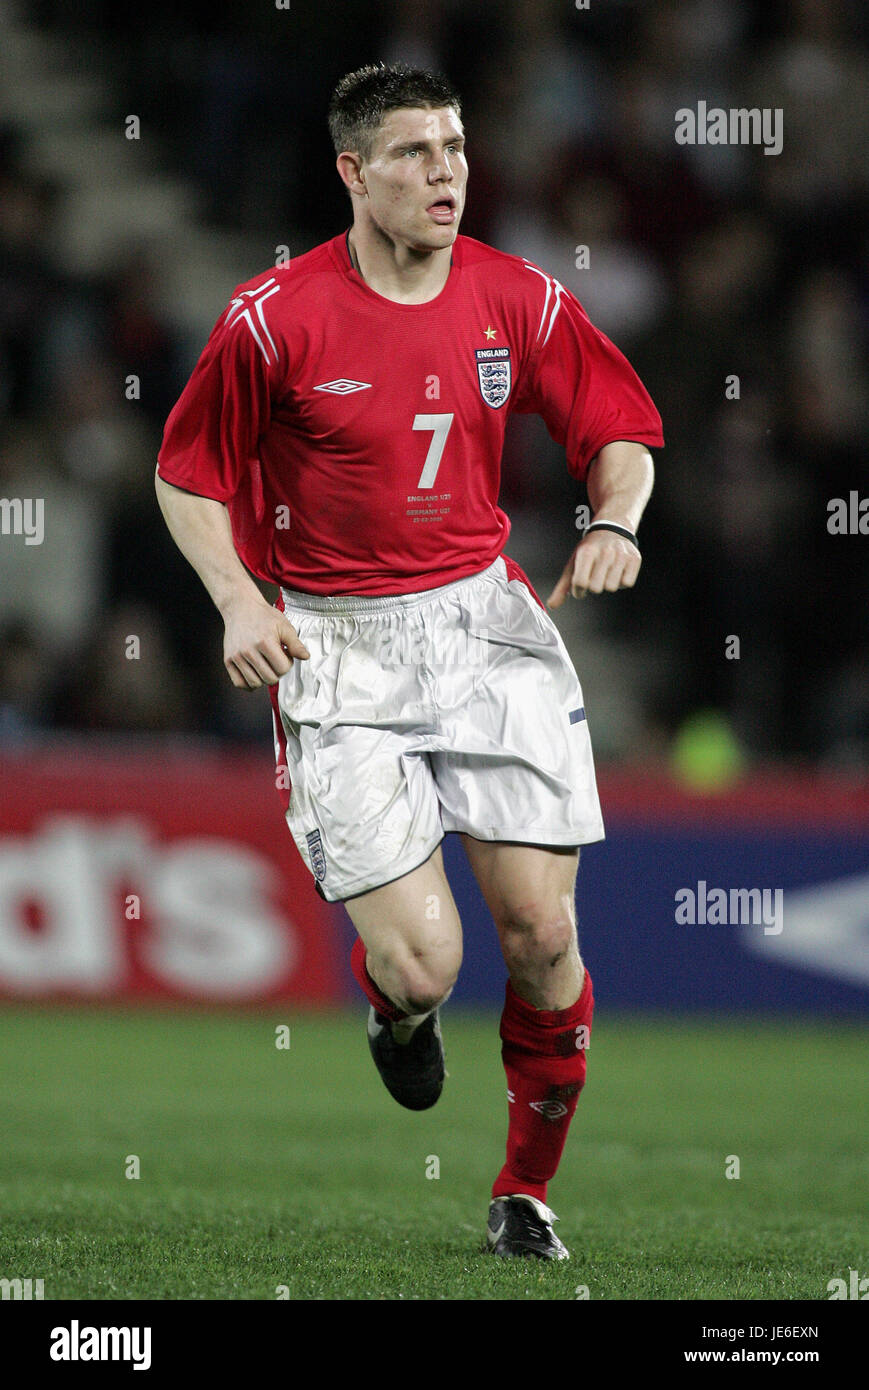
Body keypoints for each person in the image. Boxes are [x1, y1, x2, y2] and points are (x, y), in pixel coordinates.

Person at [155, 62, 663, 1261]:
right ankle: (399, 1011)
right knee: (425, 957)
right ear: (352, 173)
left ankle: (522, 1196)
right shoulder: (274, 317)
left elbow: (619, 429)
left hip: (481, 625)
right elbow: (187, 475)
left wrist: (613, 521)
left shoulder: (514, 297)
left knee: (540, 939)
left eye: (456, 148)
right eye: (414, 154)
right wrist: (236, 601)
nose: (447, 173)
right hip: (336, 646)